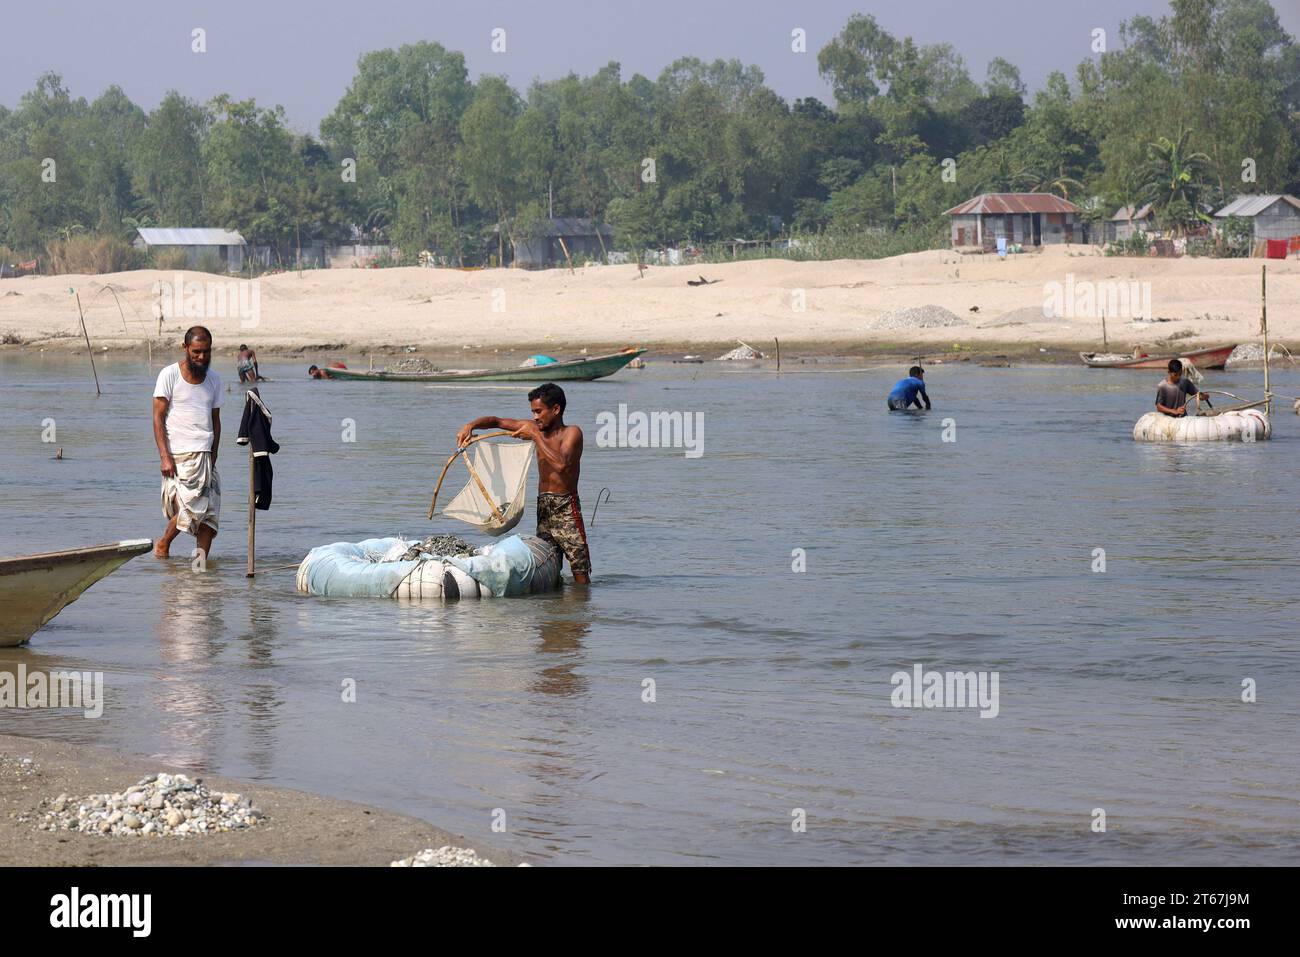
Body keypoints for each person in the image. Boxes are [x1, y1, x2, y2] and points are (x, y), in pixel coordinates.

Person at [456, 382, 590, 584]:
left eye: (539, 411)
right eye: (532, 412)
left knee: (579, 568)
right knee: (548, 564)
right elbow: (497, 421)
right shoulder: (534, 428)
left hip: (566, 507)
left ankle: (581, 609)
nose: (535, 417)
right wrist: (471, 425)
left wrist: (535, 436)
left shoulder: (571, 433)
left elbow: (562, 465)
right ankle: (555, 612)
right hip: (544, 506)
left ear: (556, 409)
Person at [153, 326, 222, 558]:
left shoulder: (214, 380)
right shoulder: (169, 375)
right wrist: (164, 457)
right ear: (185, 348)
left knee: (210, 517)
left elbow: (216, 420)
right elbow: (157, 417)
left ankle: (200, 569)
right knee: (190, 508)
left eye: (206, 352)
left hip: (206, 456)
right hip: (179, 456)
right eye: (196, 352)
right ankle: (163, 544)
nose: (202, 357)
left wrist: (214, 454)